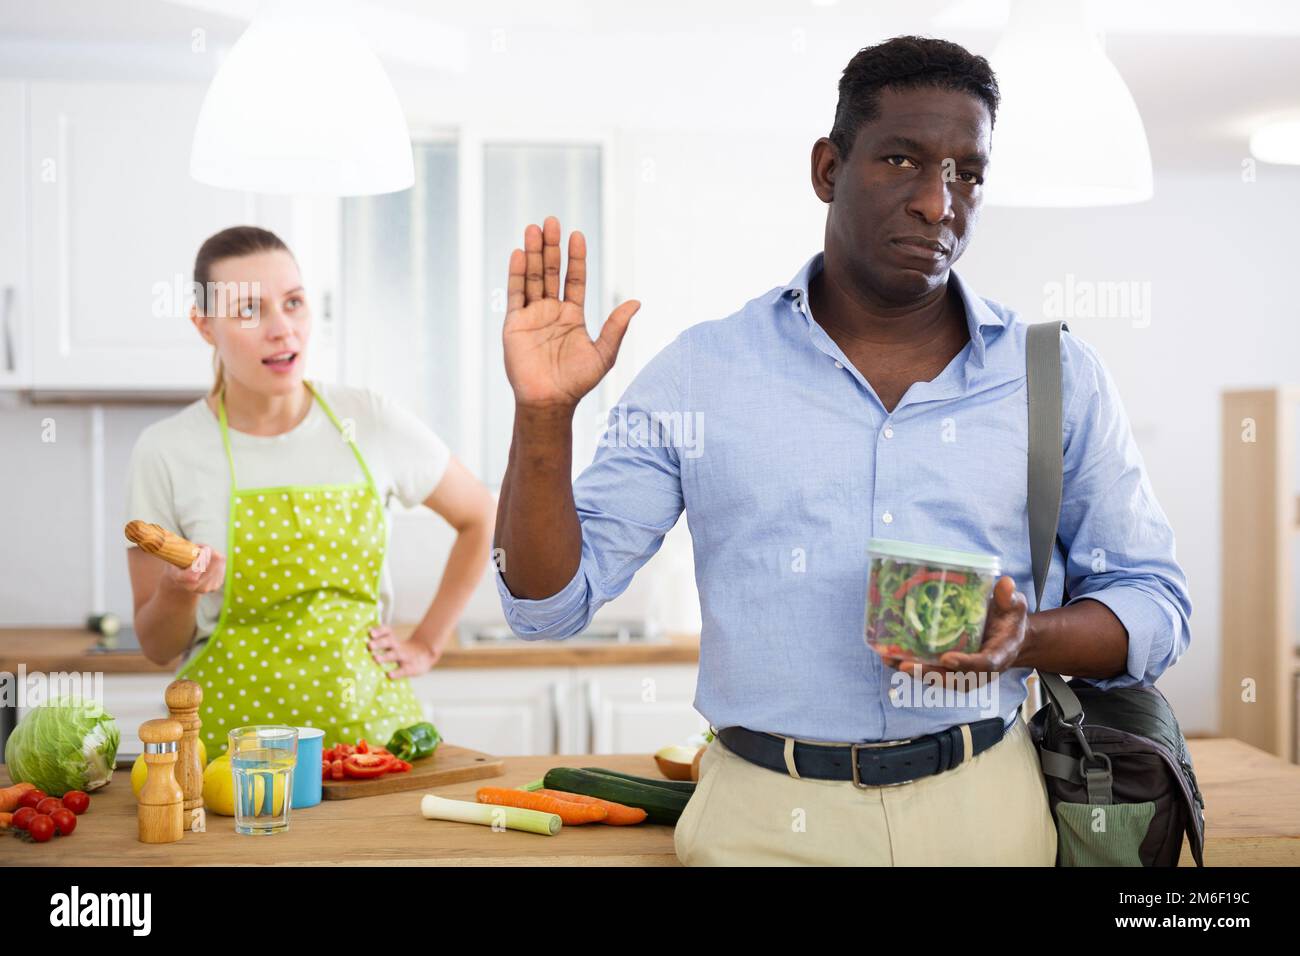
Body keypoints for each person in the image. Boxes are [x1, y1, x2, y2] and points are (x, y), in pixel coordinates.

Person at [491, 36, 1192, 865]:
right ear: (828, 168)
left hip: (988, 811)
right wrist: (542, 416)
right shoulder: (700, 373)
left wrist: (1024, 639)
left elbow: (1154, 601)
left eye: (968, 172)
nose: (939, 203)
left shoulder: (1055, 374)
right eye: (903, 160)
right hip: (759, 820)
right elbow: (546, 604)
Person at [126, 225, 494, 757]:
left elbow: (481, 515)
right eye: (249, 310)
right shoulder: (165, 450)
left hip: (371, 747)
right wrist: (178, 588)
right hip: (229, 766)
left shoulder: (367, 419)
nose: (283, 330)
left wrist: (428, 641)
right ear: (204, 325)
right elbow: (158, 648)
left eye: (293, 303)